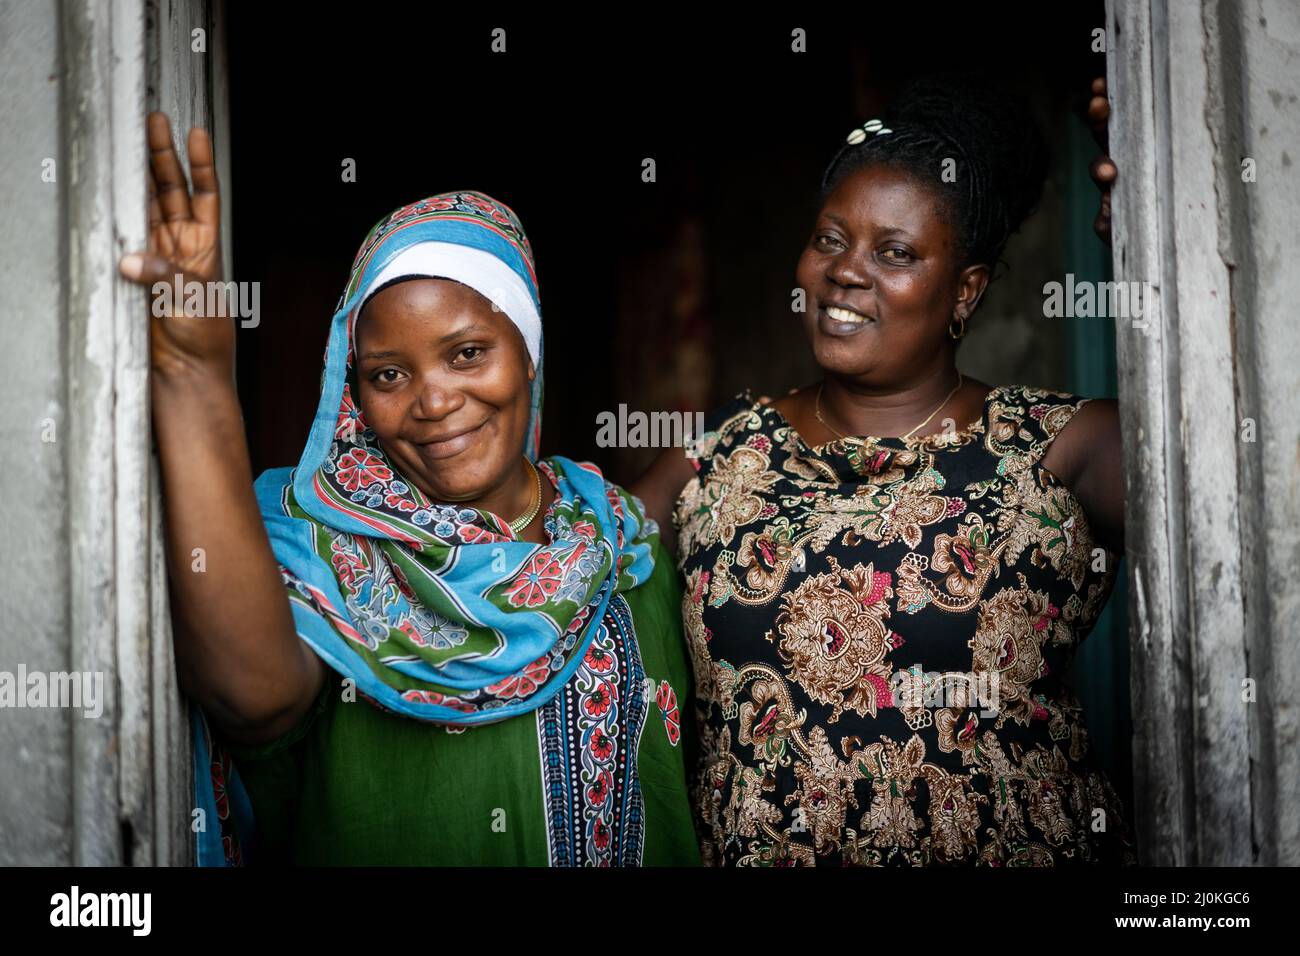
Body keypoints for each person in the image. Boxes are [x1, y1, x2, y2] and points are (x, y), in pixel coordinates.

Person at [118, 115, 698, 866]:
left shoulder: (614, 534)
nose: (432, 401)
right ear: (355, 395)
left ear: (529, 354)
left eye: (467, 354)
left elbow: (689, 470)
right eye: (389, 374)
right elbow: (251, 697)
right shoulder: (323, 546)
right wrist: (193, 378)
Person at [633, 75, 1138, 865]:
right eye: (830, 240)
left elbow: (1244, 475)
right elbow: (555, 566)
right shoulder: (716, 456)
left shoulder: (1063, 447)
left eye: (894, 252)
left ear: (964, 292)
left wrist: (1150, 247)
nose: (846, 271)